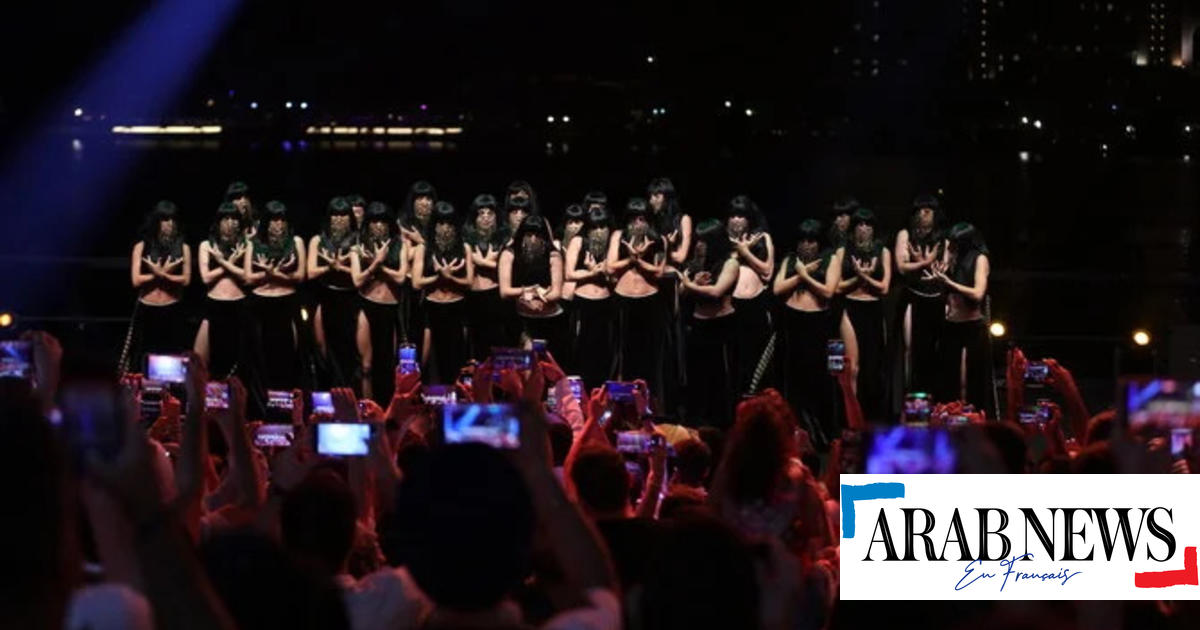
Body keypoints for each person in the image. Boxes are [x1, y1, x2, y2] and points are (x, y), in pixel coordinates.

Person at [774, 219, 842, 448]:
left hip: (819, 324)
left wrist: (806, 276)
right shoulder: (790, 259)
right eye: (803, 241)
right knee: (795, 379)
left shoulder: (830, 259)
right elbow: (777, 288)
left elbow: (829, 292)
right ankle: (797, 432)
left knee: (821, 379)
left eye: (811, 241)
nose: (806, 245)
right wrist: (800, 274)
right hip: (793, 322)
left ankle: (823, 435)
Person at [678, 219, 740, 428]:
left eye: (704, 241)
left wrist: (689, 285)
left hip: (722, 327)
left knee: (721, 379)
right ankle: (697, 422)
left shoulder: (730, 263)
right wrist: (692, 284)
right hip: (698, 326)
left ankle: (722, 425)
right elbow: (681, 292)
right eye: (698, 240)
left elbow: (717, 291)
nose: (699, 245)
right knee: (697, 378)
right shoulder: (696, 264)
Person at [245, 200, 307, 395]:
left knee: (289, 357)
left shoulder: (296, 242)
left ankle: (289, 405)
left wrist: (275, 274)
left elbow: (300, 276)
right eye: (273, 220)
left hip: (287, 304)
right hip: (260, 305)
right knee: (261, 358)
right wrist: (267, 274)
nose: (278, 225)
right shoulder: (253, 243)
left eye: (281, 220)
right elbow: (248, 278)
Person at [607, 199, 667, 397]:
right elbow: (610, 266)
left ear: (649, 221)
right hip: (623, 300)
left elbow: (658, 272)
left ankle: (648, 403)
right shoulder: (618, 236)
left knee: (649, 355)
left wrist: (639, 260)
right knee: (622, 354)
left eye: (642, 219)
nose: (637, 224)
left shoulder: (659, 240)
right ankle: (620, 404)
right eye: (633, 219)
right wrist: (630, 258)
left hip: (650, 301)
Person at [930, 222, 992, 411]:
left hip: (972, 325)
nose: (950, 246)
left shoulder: (979, 259)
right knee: (949, 379)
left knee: (969, 379)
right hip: (951, 324)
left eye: (954, 243)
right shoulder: (952, 258)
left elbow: (978, 293)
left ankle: (973, 420)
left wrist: (950, 283)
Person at [837, 208, 891, 421]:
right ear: (853, 229)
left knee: (872, 370)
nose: (864, 229)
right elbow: (837, 286)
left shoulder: (883, 252)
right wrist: (858, 277)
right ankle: (850, 419)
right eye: (860, 225)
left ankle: (871, 419)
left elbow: (884, 287)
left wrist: (866, 279)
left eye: (868, 225)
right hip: (850, 307)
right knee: (852, 367)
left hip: (874, 309)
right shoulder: (844, 250)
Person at [351, 202, 407, 402]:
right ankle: (367, 407)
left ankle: (388, 409)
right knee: (366, 365)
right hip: (367, 305)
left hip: (390, 308)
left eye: (383, 221)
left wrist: (378, 265)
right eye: (374, 221)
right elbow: (357, 280)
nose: (379, 226)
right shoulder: (358, 247)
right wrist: (375, 263)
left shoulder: (400, 245)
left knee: (388, 364)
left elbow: (401, 278)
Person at [412, 202, 473, 384]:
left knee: (456, 363)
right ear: (434, 226)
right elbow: (416, 282)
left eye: (449, 224)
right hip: (432, 310)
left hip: (457, 309)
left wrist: (451, 278)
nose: (445, 229)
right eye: (440, 224)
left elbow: (468, 282)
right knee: (431, 364)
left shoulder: (465, 248)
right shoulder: (424, 249)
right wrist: (439, 276)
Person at [129, 201, 191, 371]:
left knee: (172, 360)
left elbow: (186, 280)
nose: (169, 224)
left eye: (172, 220)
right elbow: (135, 280)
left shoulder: (183, 248)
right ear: (157, 221)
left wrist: (163, 274)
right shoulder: (141, 247)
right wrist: (157, 273)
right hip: (147, 308)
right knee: (142, 359)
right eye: (165, 220)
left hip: (171, 308)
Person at [894, 194, 946, 395]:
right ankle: (910, 396)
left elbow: (945, 266)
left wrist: (933, 269)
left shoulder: (942, 237)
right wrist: (924, 263)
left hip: (937, 298)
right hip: (913, 296)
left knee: (935, 350)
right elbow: (901, 267)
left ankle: (936, 399)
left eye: (928, 210)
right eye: (920, 210)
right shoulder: (905, 234)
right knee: (911, 349)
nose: (923, 214)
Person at [648, 178, 692, 417]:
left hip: (672, 282)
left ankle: (675, 402)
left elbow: (682, 253)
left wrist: (665, 247)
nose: (653, 200)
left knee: (673, 339)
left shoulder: (681, 219)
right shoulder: (649, 221)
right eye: (651, 195)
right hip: (653, 281)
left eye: (657, 195)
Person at [307, 197, 361, 388]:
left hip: (351, 299)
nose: (339, 220)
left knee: (351, 351)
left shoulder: (358, 240)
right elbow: (310, 271)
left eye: (343, 215)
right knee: (323, 349)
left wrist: (340, 267)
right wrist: (329, 267)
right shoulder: (317, 240)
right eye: (335, 215)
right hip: (326, 297)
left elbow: (360, 275)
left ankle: (350, 393)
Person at [726, 196, 775, 395]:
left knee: (758, 357)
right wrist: (737, 252)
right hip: (731, 304)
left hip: (757, 303)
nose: (737, 220)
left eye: (742, 216)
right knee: (735, 357)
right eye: (733, 216)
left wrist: (745, 252)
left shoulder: (763, 238)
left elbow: (768, 272)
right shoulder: (722, 240)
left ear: (749, 219)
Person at [195, 203, 251, 378]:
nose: (230, 223)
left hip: (239, 306)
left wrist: (224, 262)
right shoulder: (207, 245)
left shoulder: (247, 245)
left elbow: (247, 277)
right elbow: (206, 278)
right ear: (218, 222)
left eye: (234, 219)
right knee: (200, 359)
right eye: (226, 218)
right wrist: (229, 263)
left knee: (240, 360)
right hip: (213, 307)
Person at [565, 205, 616, 389]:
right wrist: (591, 272)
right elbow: (569, 273)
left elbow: (616, 274)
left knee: (604, 353)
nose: (599, 232)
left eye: (603, 227)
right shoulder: (578, 241)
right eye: (595, 227)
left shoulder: (612, 242)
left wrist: (606, 273)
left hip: (605, 303)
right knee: (581, 351)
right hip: (582, 304)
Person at [500, 214, 567, 353]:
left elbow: (556, 293)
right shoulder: (509, 254)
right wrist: (529, 292)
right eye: (529, 235)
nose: (533, 240)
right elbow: (505, 291)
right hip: (521, 319)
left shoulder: (553, 255)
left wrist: (538, 295)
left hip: (550, 318)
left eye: (538, 235)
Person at [464, 194, 512, 361]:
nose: (485, 218)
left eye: (489, 213)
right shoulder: (466, 239)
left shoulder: (505, 238)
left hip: (495, 297)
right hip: (472, 296)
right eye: (481, 213)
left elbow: (508, 269)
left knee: (497, 344)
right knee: (475, 346)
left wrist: (482, 262)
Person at [398, 181, 437, 352]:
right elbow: (406, 256)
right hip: (409, 290)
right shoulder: (404, 224)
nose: (425, 202)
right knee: (411, 339)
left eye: (428, 198)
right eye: (420, 198)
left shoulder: (438, 224)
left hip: (434, 285)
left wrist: (420, 242)